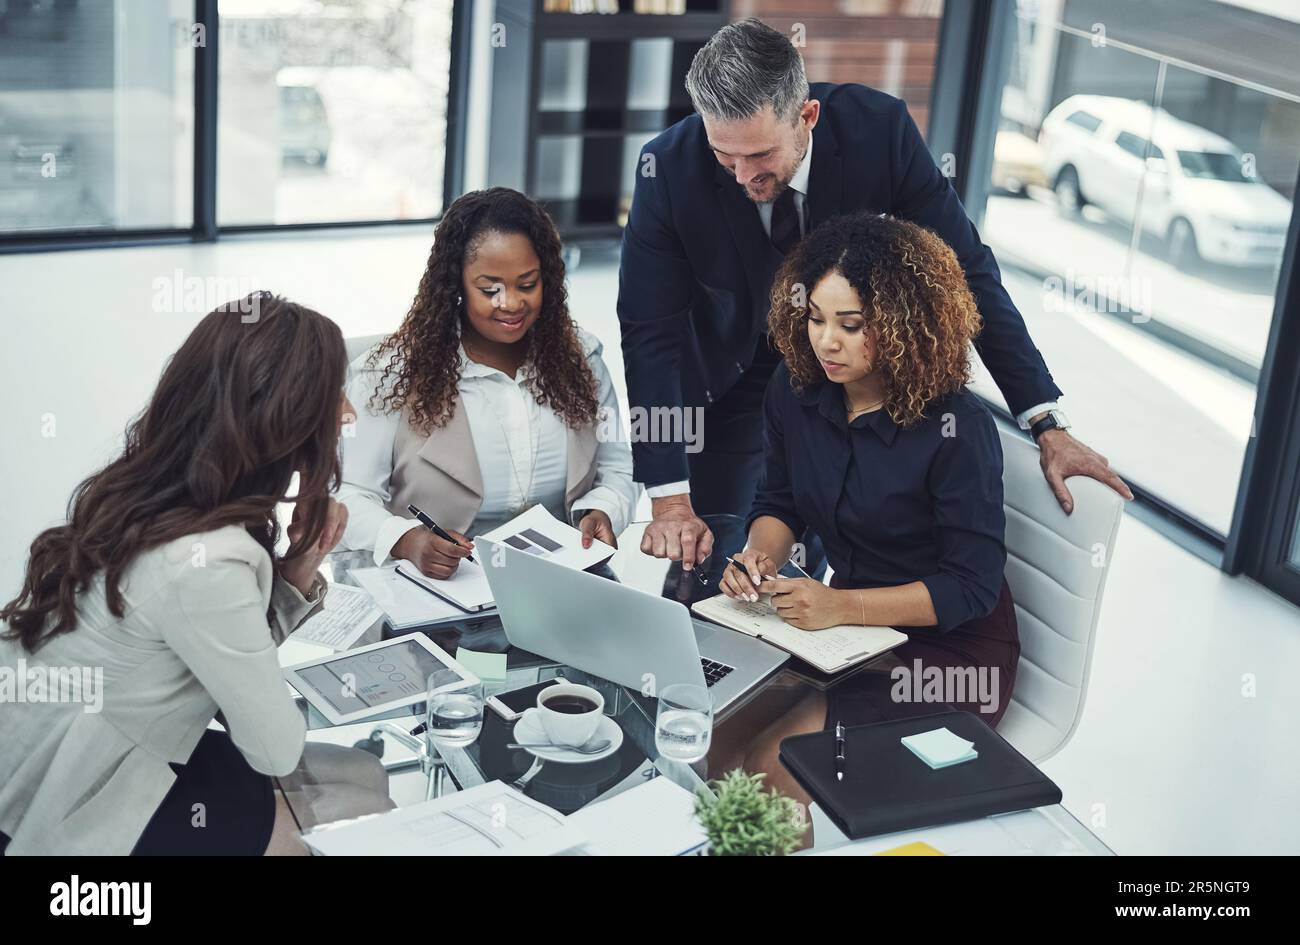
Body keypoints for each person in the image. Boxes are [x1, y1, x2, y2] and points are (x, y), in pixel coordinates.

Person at [619, 17, 1131, 574]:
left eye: (761, 156)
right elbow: (651, 331)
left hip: (845, 371)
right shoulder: (667, 167)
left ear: (807, 115)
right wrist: (668, 496)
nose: (743, 176)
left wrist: (1045, 421)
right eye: (725, 155)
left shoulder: (879, 131)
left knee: (809, 561)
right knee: (709, 564)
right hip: (728, 377)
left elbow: (967, 272)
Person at [0, 293, 392, 856]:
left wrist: (298, 569)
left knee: (365, 774)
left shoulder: (151, 487)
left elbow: (218, 656)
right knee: (359, 813)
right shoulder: (206, 559)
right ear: (284, 413)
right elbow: (274, 748)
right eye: (335, 393)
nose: (348, 413)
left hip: (76, 748)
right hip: (79, 795)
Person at [711, 214, 1020, 813]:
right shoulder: (796, 390)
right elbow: (778, 502)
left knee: (779, 761)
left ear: (906, 325)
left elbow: (971, 587)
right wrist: (756, 560)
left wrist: (840, 605)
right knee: (718, 732)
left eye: (851, 326)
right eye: (816, 320)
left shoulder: (958, 430)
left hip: (947, 653)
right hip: (843, 632)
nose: (827, 341)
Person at [338, 187, 637, 573]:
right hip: (433, 584)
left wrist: (605, 508)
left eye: (527, 284)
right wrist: (404, 539)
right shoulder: (389, 372)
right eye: (489, 289)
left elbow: (618, 465)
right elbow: (348, 494)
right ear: (455, 284)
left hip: (557, 578)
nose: (510, 303)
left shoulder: (581, 358)